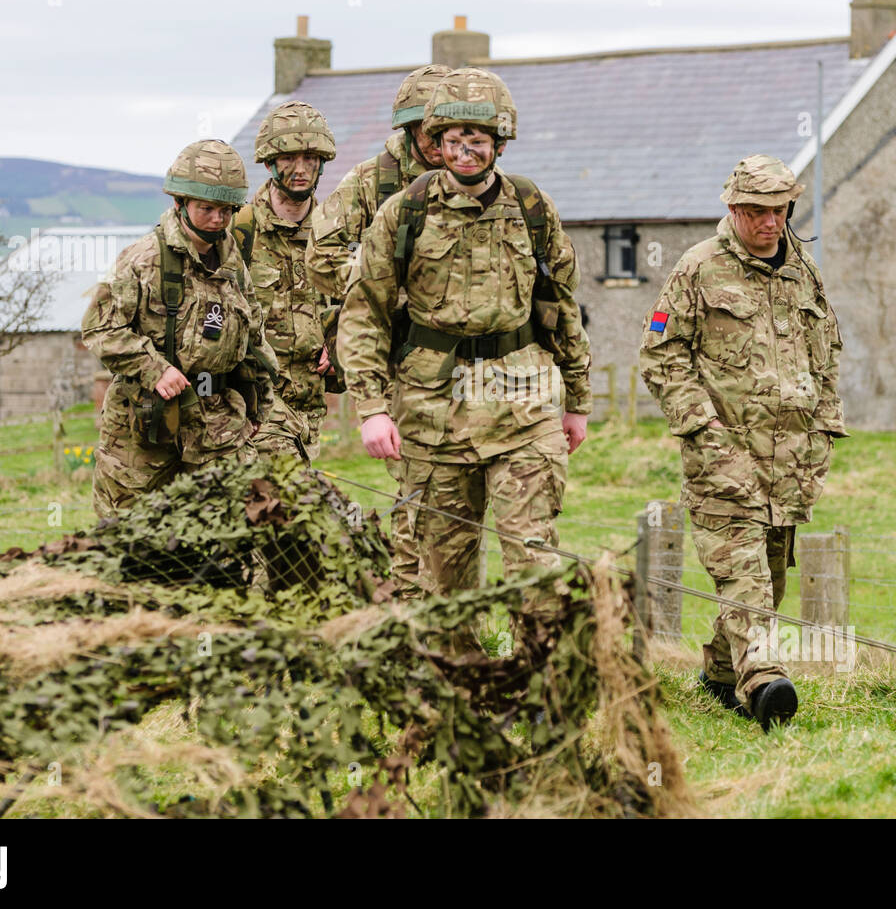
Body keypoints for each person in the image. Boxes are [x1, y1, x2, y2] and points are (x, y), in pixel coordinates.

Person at [337, 67, 592, 598]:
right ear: (436, 143)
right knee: (440, 575)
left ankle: (537, 676)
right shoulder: (403, 212)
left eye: (477, 140)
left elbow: (561, 306)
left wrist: (578, 401)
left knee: (535, 559)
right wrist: (372, 409)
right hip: (434, 413)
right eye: (454, 141)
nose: (465, 152)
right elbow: (365, 314)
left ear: (498, 144)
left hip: (523, 405)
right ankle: (456, 677)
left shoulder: (532, 208)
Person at [639, 154, 846, 732]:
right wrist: (702, 429)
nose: (769, 223)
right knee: (744, 574)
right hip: (721, 458)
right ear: (733, 209)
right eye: (756, 211)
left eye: (779, 211)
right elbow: (660, 354)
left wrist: (826, 423)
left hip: (791, 461)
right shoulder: (697, 269)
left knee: (770, 579)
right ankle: (764, 681)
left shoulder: (802, 271)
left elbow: (826, 351)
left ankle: (720, 677)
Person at [306, 63, 450, 594]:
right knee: (420, 485)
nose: (444, 143)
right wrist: (385, 283)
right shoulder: (371, 182)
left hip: (466, 365)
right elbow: (320, 257)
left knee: (459, 495)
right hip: (396, 356)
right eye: (434, 131)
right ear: (412, 128)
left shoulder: (476, 184)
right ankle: (411, 610)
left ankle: (448, 614)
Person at [83, 139, 282, 519]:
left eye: (226, 210)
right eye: (206, 208)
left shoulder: (232, 263)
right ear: (180, 203)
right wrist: (154, 368)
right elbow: (100, 328)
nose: (217, 219)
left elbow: (253, 335)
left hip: (218, 421)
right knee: (126, 536)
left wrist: (260, 403)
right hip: (145, 424)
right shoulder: (144, 259)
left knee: (239, 531)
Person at [234, 101, 334, 459]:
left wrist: (338, 342)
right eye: (289, 158)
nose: (301, 169)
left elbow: (360, 303)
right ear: (269, 162)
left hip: (309, 409)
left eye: (311, 158)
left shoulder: (336, 232)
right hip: (251, 409)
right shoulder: (237, 231)